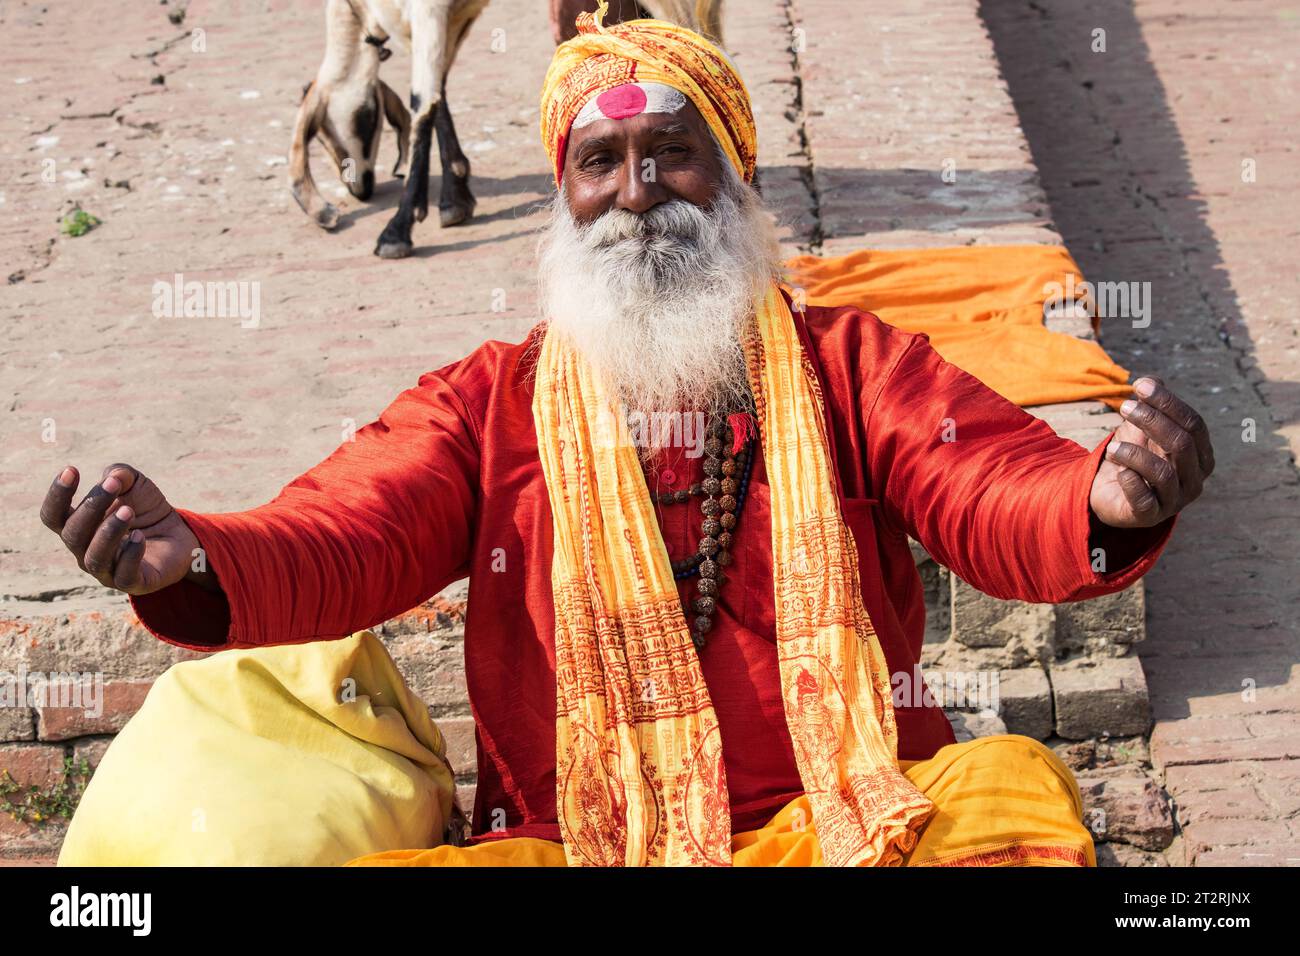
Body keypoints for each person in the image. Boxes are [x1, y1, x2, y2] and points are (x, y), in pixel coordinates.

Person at [44, 11, 1213, 867]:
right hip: (577, 844)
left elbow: (987, 485)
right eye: (599, 164)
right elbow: (343, 531)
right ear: (564, 202)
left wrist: (1101, 503)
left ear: (735, 182)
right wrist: (194, 555)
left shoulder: (848, 365)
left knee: (1013, 797)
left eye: (672, 154)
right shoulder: (485, 404)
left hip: (851, 821)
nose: (638, 189)